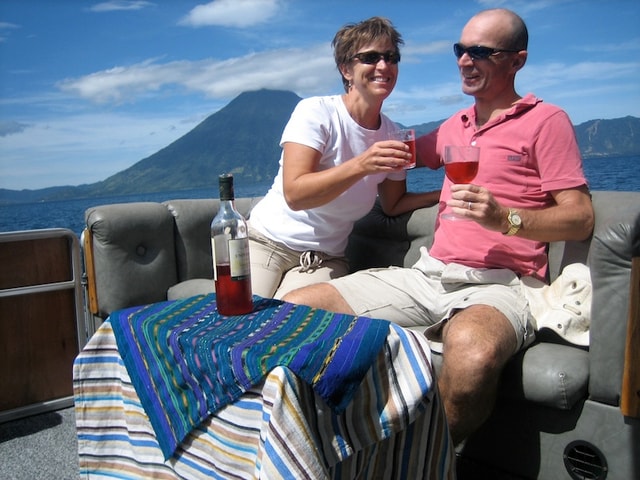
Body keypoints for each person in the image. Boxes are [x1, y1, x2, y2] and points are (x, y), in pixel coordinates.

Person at [283, 8, 595, 445]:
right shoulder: (455, 125)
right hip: (428, 274)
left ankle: (423, 461)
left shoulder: (546, 121)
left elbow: (580, 217)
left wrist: (505, 218)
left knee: (471, 352)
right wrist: (344, 133)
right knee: (295, 309)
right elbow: (395, 151)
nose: (466, 60)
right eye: (460, 50)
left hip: (501, 284)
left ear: (517, 60)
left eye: (481, 51)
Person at [248, 16, 439, 299]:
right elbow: (295, 195)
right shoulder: (317, 112)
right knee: (243, 316)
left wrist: (444, 193)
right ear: (346, 69)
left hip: (324, 258)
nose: (384, 66)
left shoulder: (392, 134)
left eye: (391, 57)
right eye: (371, 57)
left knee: (294, 319)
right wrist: (362, 164)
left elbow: (393, 204)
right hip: (266, 243)